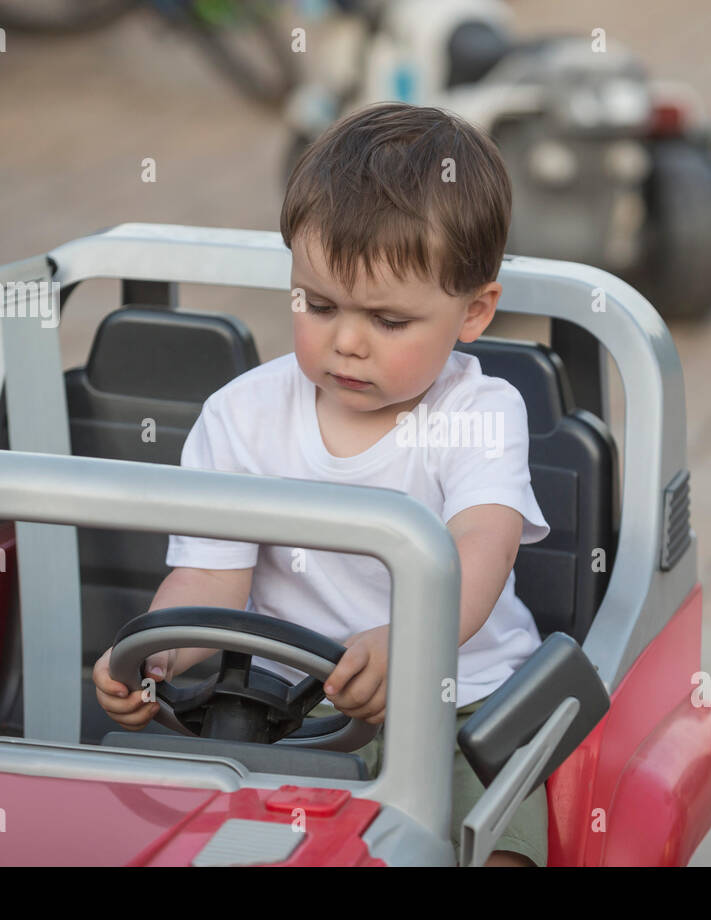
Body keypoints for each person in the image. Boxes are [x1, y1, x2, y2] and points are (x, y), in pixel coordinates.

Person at [92, 102, 550, 867]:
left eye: (388, 319)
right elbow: (209, 576)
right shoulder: (243, 415)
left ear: (473, 312)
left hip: (462, 699)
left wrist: (412, 641)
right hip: (281, 706)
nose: (346, 340)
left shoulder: (480, 413)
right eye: (320, 303)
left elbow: (481, 547)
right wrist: (157, 654)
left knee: (497, 847)